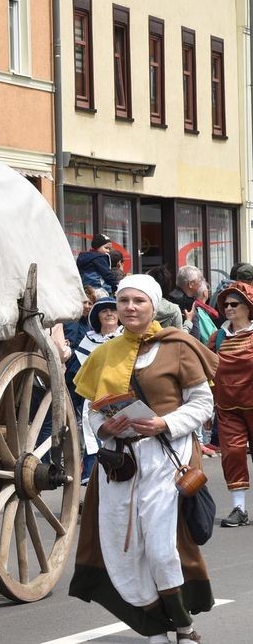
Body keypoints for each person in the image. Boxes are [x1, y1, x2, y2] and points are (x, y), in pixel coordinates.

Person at [69, 274, 215, 644]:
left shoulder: (178, 346)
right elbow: (92, 411)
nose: (130, 308)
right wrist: (108, 426)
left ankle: (183, 626)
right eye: (124, 302)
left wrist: (163, 422)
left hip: (167, 456)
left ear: (153, 307)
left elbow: (202, 404)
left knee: (162, 547)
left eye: (139, 301)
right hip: (121, 464)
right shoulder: (105, 353)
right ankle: (154, 627)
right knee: (125, 548)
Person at [208, 282, 253, 527]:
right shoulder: (218, 337)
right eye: (225, 304)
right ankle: (239, 508)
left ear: (248, 307)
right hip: (227, 407)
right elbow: (205, 368)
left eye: (234, 304)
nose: (228, 308)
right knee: (233, 455)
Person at [73, 297, 123, 484]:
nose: (109, 314)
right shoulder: (88, 340)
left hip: (121, 396)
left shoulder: (126, 338)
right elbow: (79, 374)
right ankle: (94, 485)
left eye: (113, 310)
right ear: (97, 316)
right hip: (93, 397)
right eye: (104, 311)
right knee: (93, 437)